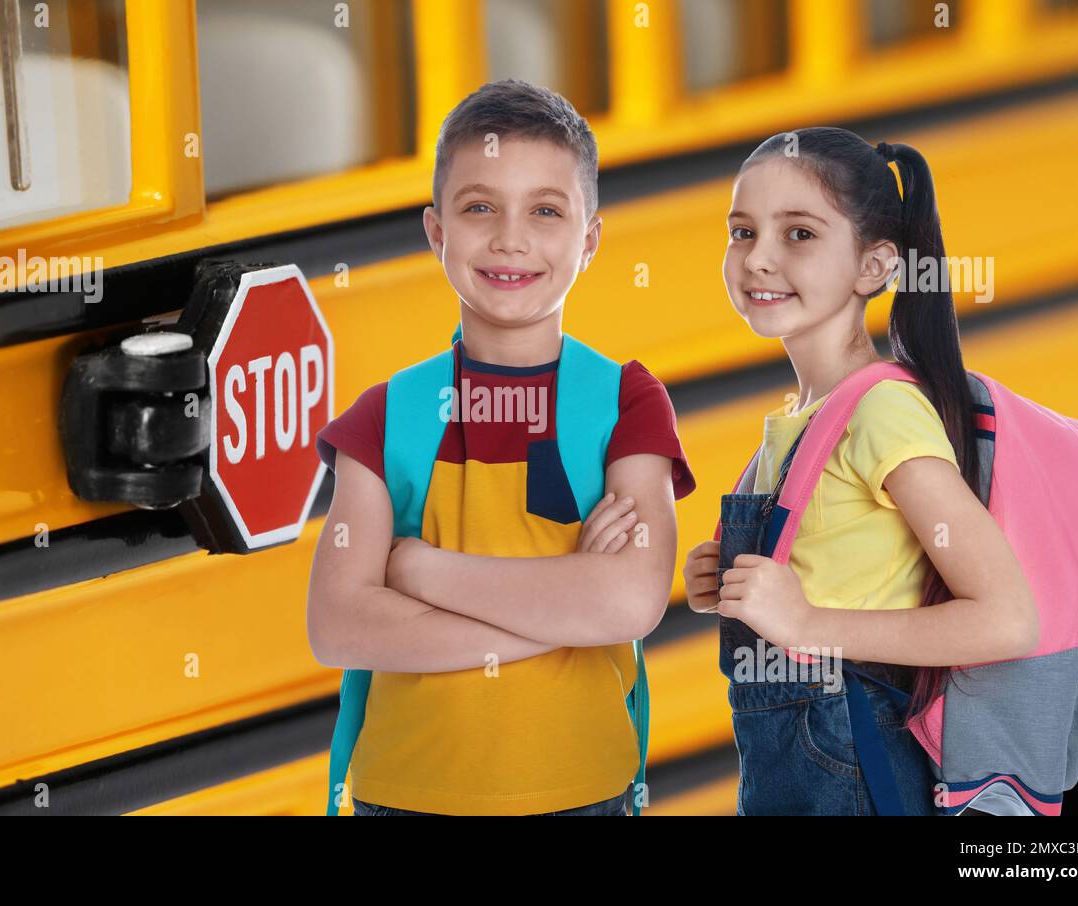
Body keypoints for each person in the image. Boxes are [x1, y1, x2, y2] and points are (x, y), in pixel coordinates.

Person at [307, 79, 696, 816]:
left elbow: (629, 601)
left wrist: (418, 569)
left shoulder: (626, 402)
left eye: (546, 211)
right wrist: (563, 606)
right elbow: (337, 625)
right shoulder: (387, 415)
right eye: (479, 207)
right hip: (404, 796)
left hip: (586, 794)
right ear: (436, 232)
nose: (510, 239)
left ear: (589, 240)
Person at [682, 127, 1038, 815]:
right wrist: (729, 583)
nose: (757, 258)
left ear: (874, 268)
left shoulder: (880, 411)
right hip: (790, 773)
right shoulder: (797, 424)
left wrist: (807, 618)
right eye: (742, 231)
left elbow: (1006, 617)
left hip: (860, 770)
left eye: (800, 235)